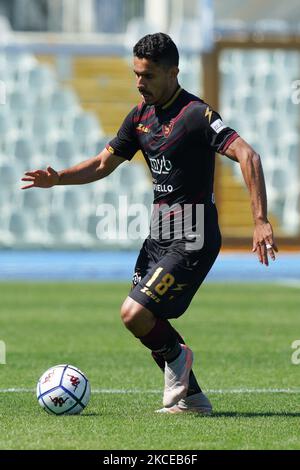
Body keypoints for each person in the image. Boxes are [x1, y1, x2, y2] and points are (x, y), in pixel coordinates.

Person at [21, 33, 278, 414]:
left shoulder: (195, 115)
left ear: (174, 72)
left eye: (149, 76)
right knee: (141, 320)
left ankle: (179, 360)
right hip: (159, 234)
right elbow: (101, 164)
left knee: (134, 312)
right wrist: (58, 179)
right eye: (136, 74)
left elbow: (248, 155)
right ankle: (191, 399)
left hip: (193, 232)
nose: (140, 83)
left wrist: (260, 220)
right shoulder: (140, 116)